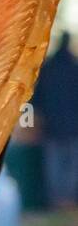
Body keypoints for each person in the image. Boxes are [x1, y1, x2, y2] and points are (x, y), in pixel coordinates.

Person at [33, 31, 78, 208]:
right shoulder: (75, 68)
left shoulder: (48, 69)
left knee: (54, 164)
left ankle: (56, 200)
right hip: (74, 126)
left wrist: (28, 124)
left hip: (52, 126)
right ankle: (69, 199)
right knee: (72, 165)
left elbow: (33, 100)